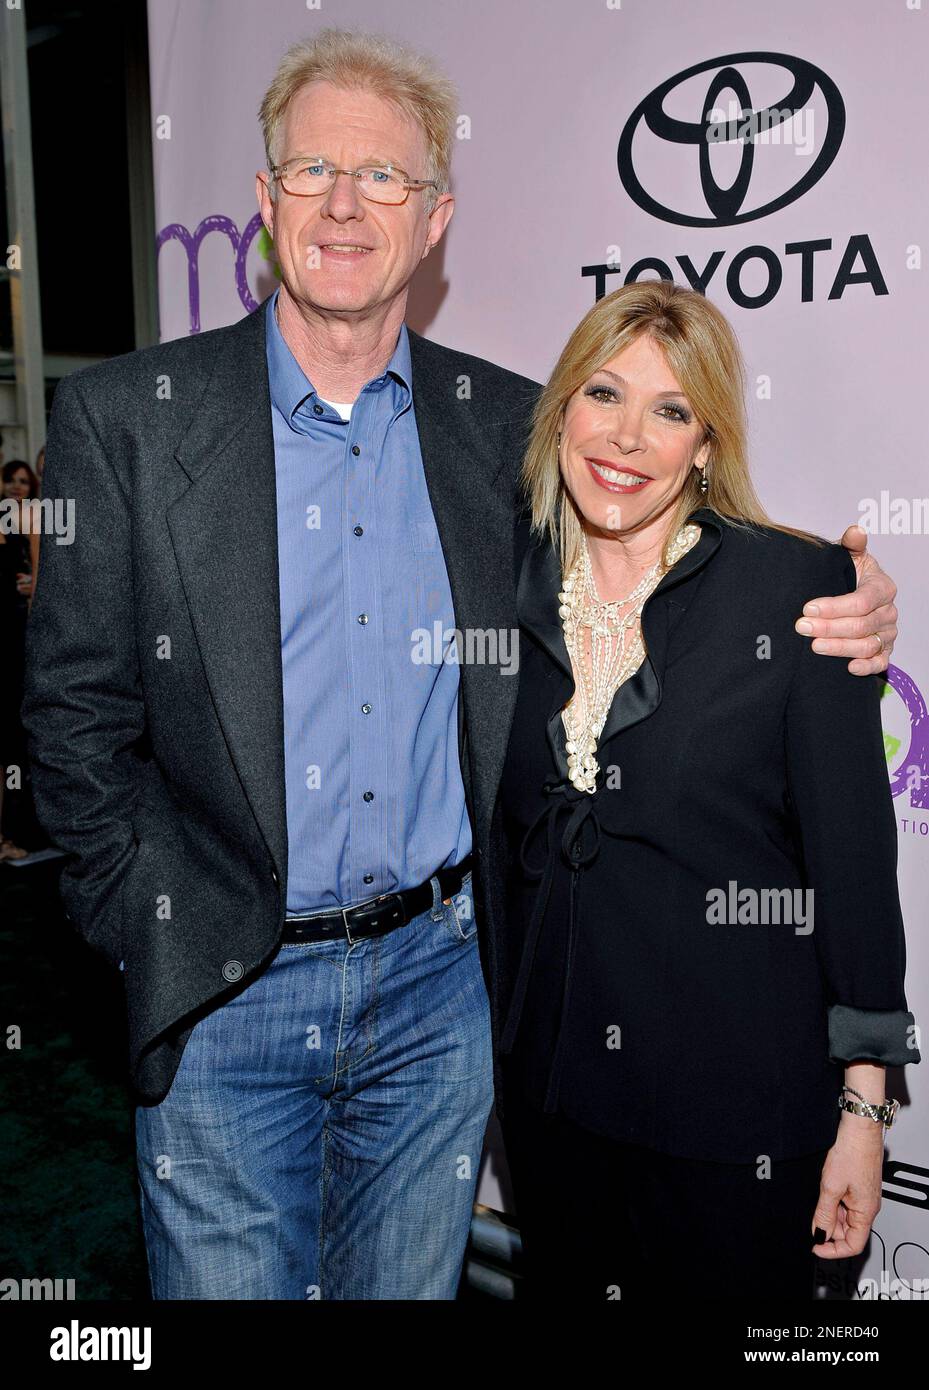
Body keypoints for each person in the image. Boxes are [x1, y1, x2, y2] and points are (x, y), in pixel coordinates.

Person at [22, 28, 898, 1301]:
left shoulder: (497, 428)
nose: (341, 202)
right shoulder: (128, 422)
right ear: (263, 200)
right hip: (227, 990)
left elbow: (673, 541)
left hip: (445, 993)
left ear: (432, 220)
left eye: (382, 179)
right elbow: (71, 725)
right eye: (310, 167)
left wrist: (848, 594)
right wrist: (150, 930)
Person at [491, 281, 919, 1300]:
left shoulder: (796, 591)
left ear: (705, 444)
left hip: (733, 1110)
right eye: (602, 393)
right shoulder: (495, 581)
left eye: (669, 410)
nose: (626, 437)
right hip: (549, 1098)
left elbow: (852, 867)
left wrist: (862, 1113)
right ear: (559, 411)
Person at [1, 459, 38, 861]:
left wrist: (31, 594)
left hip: (19, 633)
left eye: (22, 480)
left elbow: (41, 574)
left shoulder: (32, 517)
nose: (15, 486)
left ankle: (15, 828)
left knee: (15, 735)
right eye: (10, 480)